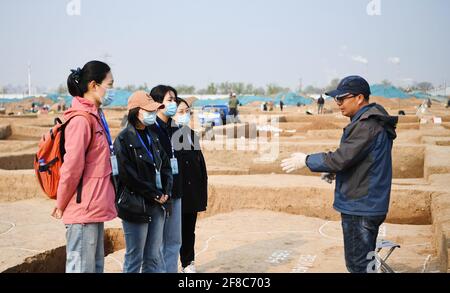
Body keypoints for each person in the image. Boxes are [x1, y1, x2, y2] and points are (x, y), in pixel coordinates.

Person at [281, 76, 398, 273]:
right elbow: (360, 160)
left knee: (358, 265)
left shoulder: (367, 125)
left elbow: (342, 158)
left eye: (341, 99)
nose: (338, 104)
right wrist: (334, 171)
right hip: (367, 202)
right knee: (364, 263)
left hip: (360, 206)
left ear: (359, 98)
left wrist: (307, 160)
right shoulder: (369, 121)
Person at [52, 61, 117, 273]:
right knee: (81, 269)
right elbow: (72, 167)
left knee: (94, 268)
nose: (112, 90)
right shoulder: (81, 120)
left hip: (94, 207)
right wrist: (61, 203)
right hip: (82, 209)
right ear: (93, 85)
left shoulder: (95, 116)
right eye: (110, 84)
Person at [114, 91, 173, 273]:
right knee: (134, 257)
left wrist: (166, 192)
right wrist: (154, 194)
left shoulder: (153, 136)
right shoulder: (123, 140)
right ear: (136, 111)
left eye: (154, 110)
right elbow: (127, 175)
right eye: (148, 110)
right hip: (135, 205)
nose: (153, 114)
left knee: (153, 256)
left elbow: (166, 166)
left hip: (157, 204)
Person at [149, 85, 184, 273]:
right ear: (158, 104)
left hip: (176, 191)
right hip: (159, 194)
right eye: (169, 100)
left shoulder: (175, 128)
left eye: (174, 100)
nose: (174, 103)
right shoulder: (151, 130)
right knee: (157, 244)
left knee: (174, 241)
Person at [172, 97, 208, 273]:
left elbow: (200, 165)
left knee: (188, 231)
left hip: (190, 193)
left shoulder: (192, 135)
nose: (185, 115)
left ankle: (188, 263)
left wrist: (200, 194)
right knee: (171, 234)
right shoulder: (165, 137)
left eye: (187, 111)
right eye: (181, 112)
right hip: (173, 193)